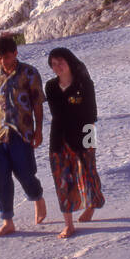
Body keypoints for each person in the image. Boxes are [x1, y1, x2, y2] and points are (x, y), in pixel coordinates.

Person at [0, 34, 47, 238]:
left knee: (25, 173)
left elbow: (37, 104)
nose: (2, 62)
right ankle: (7, 221)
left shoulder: (30, 73)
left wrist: (39, 130)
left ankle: (37, 198)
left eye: (5, 57)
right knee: (0, 178)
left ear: (15, 53)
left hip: (21, 132)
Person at [44, 47, 105, 239]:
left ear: (69, 62)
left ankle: (93, 203)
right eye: (53, 64)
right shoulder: (51, 87)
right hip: (59, 139)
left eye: (60, 62)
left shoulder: (85, 84)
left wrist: (89, 142)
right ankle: (68, 224)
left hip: (85, 135)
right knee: (62, 181)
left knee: (88, 173)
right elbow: (58, 114)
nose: (57, 67)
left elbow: (91, 114)